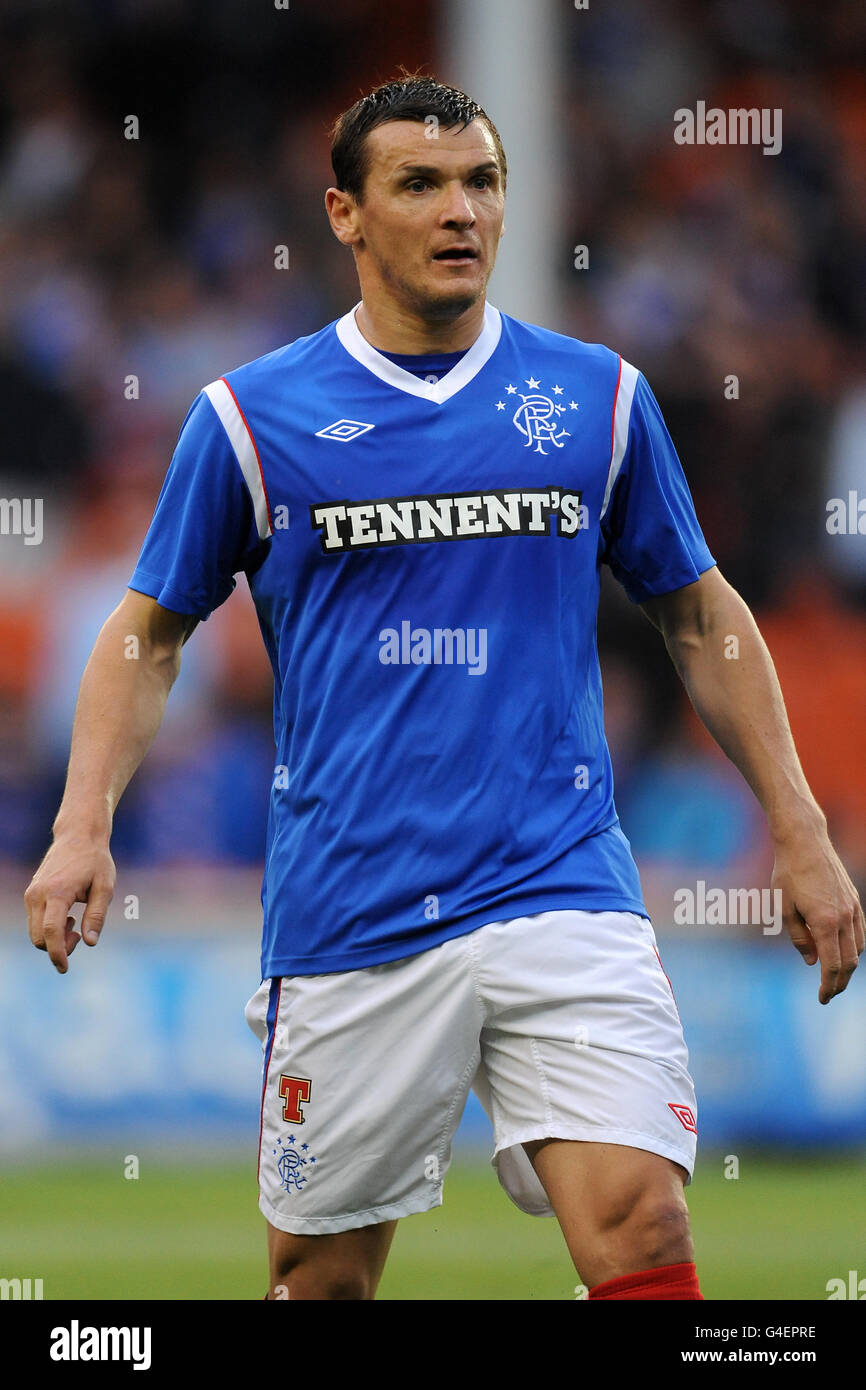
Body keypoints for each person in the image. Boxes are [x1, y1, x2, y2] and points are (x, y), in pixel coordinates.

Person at [25, 74, 864, 1302]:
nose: (458, 209)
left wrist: (797, 824)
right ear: (345, 214)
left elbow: (699, 614)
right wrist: (81, 823)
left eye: (480, 182)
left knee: (639, 1219)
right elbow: (147, 636)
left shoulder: (595, 400)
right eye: (418, 184)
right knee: (322, 1281)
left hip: (557, 881)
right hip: (350, 908)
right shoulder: (251, 419)